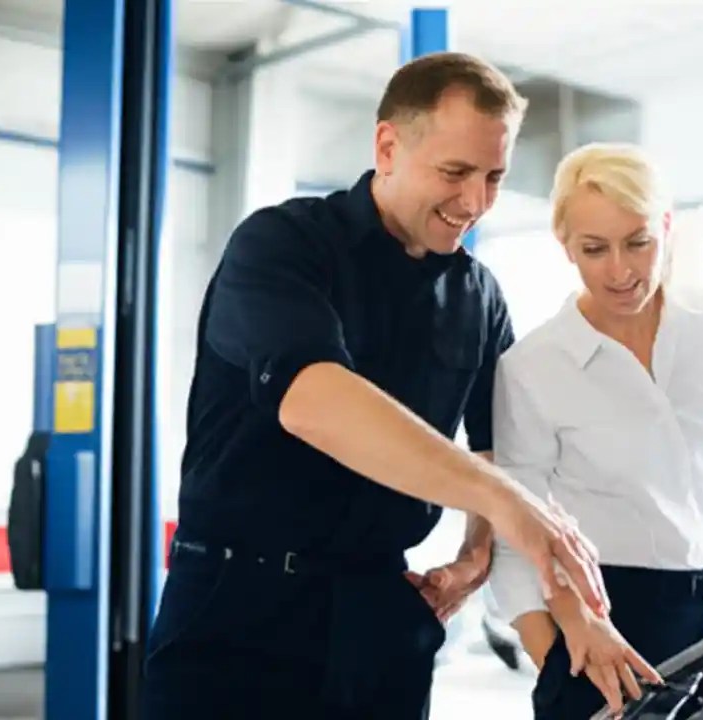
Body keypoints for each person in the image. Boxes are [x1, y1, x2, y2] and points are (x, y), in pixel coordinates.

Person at [141, 52, 608, 720]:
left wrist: (477, 553)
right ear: (387, 146)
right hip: (237, 610)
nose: (474, 202)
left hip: (383, 613)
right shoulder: (281, 245)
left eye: (493, 177)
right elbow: (313, 401)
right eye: (454, 172)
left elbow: (496, 442)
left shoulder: (480, 297)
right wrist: (503, 503)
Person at [487, 142, 703, 718]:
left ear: (666, 227)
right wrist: (561, 667)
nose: (621, 270)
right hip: (606, 623)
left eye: (639, 242)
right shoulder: (534, 366)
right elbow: (514, 534)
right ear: (565, 245)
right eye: (595, 249)